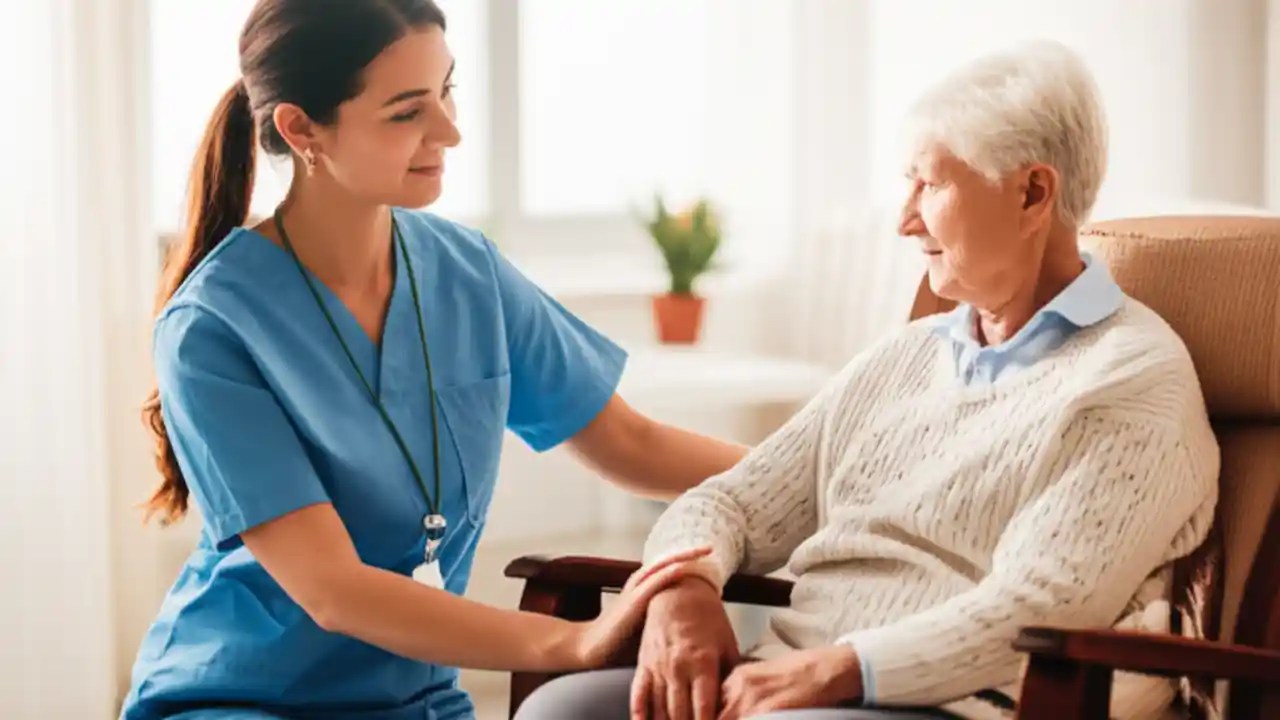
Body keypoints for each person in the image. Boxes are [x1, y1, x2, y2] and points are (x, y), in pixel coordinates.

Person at [516, 41, 1219, 720]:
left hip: (959, 704)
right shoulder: (906, 356)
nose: (906, 219)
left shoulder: (1130, 381)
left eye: (932, 182)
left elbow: (1042, 604)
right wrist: (683, 588)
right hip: (792, 683)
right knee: (563, 710)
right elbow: (728, 504)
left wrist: (838, 669)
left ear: (1033, 193)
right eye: (905, 182)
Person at [120, 1, 747, 718]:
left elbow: (631, 442)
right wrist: (570, 643)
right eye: (405, 111)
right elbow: (333, 589)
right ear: (301, 130)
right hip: (243, 697)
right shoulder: (211, 327)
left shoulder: (468, 272)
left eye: (447, 91)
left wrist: (826, 479)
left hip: (417, 699)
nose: (449, 130)